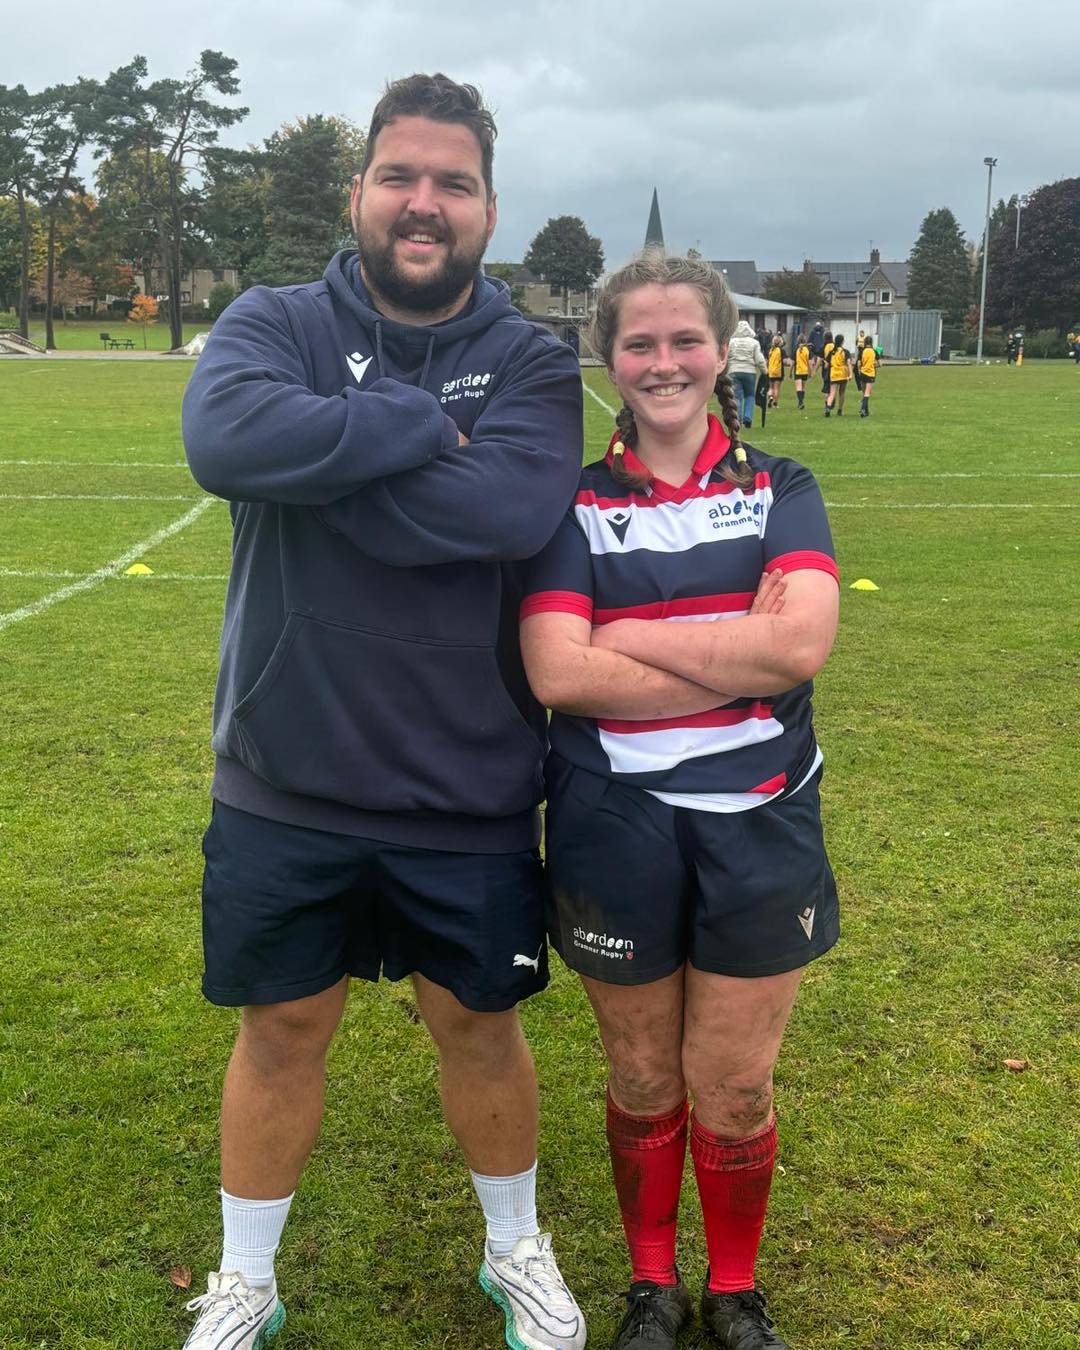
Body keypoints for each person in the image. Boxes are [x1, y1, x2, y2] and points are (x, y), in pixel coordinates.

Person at [180, 72, 587, 1350]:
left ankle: (515, 1248)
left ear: (488, 209)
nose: (424, 202)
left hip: (465, 780)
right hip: (285, 769)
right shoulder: (273, 319)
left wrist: (322, 466)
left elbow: (508, 509)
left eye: (452, 183)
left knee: (478, 1025)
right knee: (283, 1025)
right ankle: (246, 1278)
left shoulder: (531, 358)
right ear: (359, 190)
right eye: (400, 176)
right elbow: (224, 444)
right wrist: (411, 424)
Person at [520, 252, 840, 1350]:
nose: (665, 363)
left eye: (685, 339)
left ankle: (735, 1290)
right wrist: (733, 647)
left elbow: (798, 647)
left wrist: (629, 633)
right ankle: (653, 1286)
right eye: (640, 343)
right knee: (645, 1076)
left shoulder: (782, 487)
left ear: (721, 346)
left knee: (737, 1087)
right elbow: (557, 673)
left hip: (761, 818)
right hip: (615, 823)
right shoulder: (570, 503)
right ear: (608, 359)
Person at [726, 319, 767, 428]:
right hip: (749, 372)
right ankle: (748, 417)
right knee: (750, 396)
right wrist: (764, 371)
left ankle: (738, 420)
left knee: (737, 396)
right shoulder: (754, 343)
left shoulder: (731, 342)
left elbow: (726, 357)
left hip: (734, 371)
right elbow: (759, 360)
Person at [825, 334, 852, 416]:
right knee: (842, 392)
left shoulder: (832, 352)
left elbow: (826, 365)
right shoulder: (845, 352)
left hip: (834, 374)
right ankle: (840, 410)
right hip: (843, 374)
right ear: (842, 342)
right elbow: (849, 363)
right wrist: (850, 374)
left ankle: (828, 407)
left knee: (832, 393)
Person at [857, 339, 878, 416]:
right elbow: (879, 363)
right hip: (870, 374)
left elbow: (859, 364)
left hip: (862, 373)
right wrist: (875, 365)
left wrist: (860, 370)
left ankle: (866, 411)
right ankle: (863, 409)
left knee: (864, 392)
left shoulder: (862, 351)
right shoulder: (874, 351)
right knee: (867, 393)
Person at [766, 334, 785, 408]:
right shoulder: (781, 350)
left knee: (771, 387)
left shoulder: (770, 350)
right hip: (778, 371)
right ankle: (775, 403)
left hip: (770, 371)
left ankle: (770, 397)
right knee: (776, 388)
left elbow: (768, 361)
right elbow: (785, 361)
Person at [792, 334, 810, 410]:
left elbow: (793, 362)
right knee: (803, 387)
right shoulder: (807, 350)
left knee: (798, 387)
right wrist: (810, 371)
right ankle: (802, 401)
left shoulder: (796, 350)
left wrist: (790, 371)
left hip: (798, 370)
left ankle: (800, 402)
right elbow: (809, 361)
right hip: (805, 370)